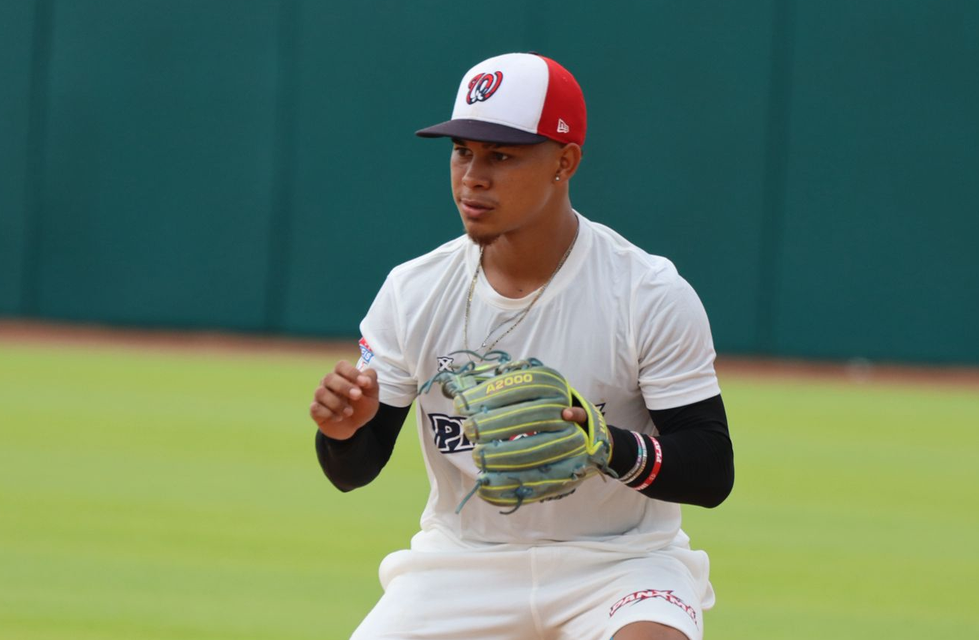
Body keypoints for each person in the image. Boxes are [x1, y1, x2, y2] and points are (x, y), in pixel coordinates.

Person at [309, 52, 734, 640]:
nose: (472, 176)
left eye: (501, 155)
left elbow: (712, 470)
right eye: (462, 150)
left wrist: (606, 444)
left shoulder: (647, 292)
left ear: (565, 161)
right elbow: (353, 471)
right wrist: (343, 432)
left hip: (620, 565)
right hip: (461, 565)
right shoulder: (413, 291)